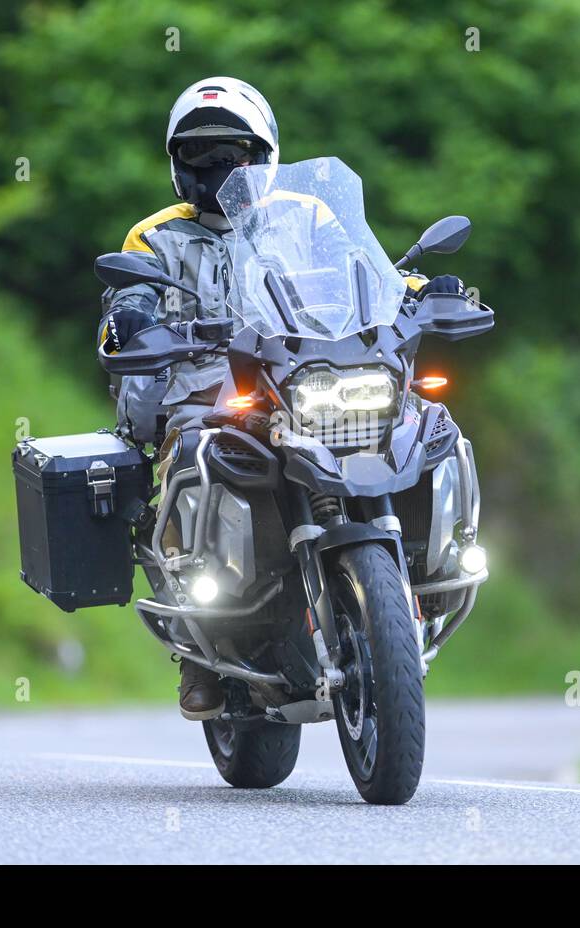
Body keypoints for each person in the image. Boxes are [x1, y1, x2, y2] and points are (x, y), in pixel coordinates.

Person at [98, 76, 463, 719]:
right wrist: (132, 315)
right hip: (207, 387)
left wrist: (418, 287)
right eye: (200, 155)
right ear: (177, 162)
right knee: (195, 451)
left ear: (264, 154)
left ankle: (426, 572)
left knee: (425, 420)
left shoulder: (309, 215)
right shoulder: (155, 236)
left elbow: (364, 267)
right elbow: (131, 294)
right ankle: (197, 639)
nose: (219, 169)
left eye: (234, 153)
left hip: (307, 373)